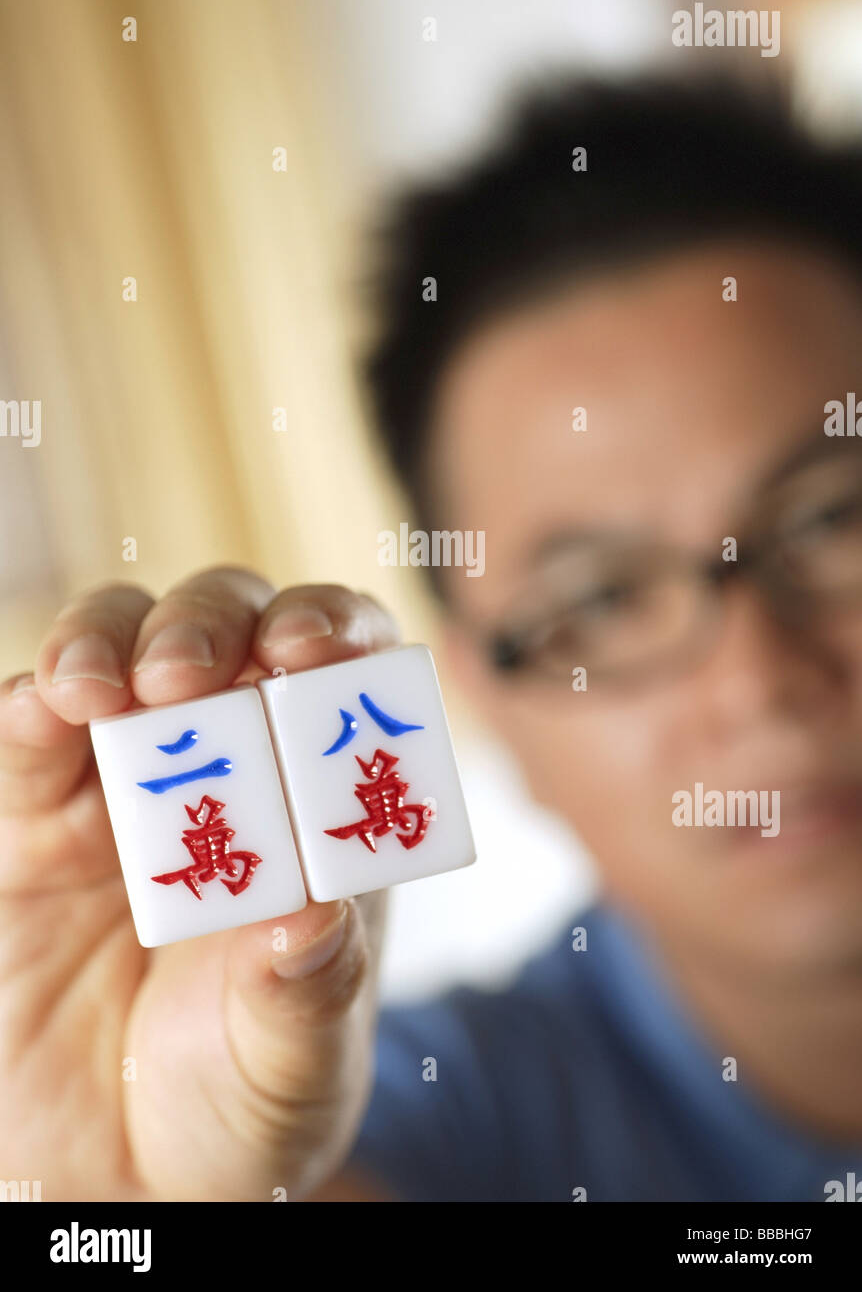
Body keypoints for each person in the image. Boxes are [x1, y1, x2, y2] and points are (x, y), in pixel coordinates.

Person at [3, 71, 862, 1203]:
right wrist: (101, 1204)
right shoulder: (422, 1122)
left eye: (829, 518)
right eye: (598, 600)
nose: (759, 680)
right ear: (477, 702)